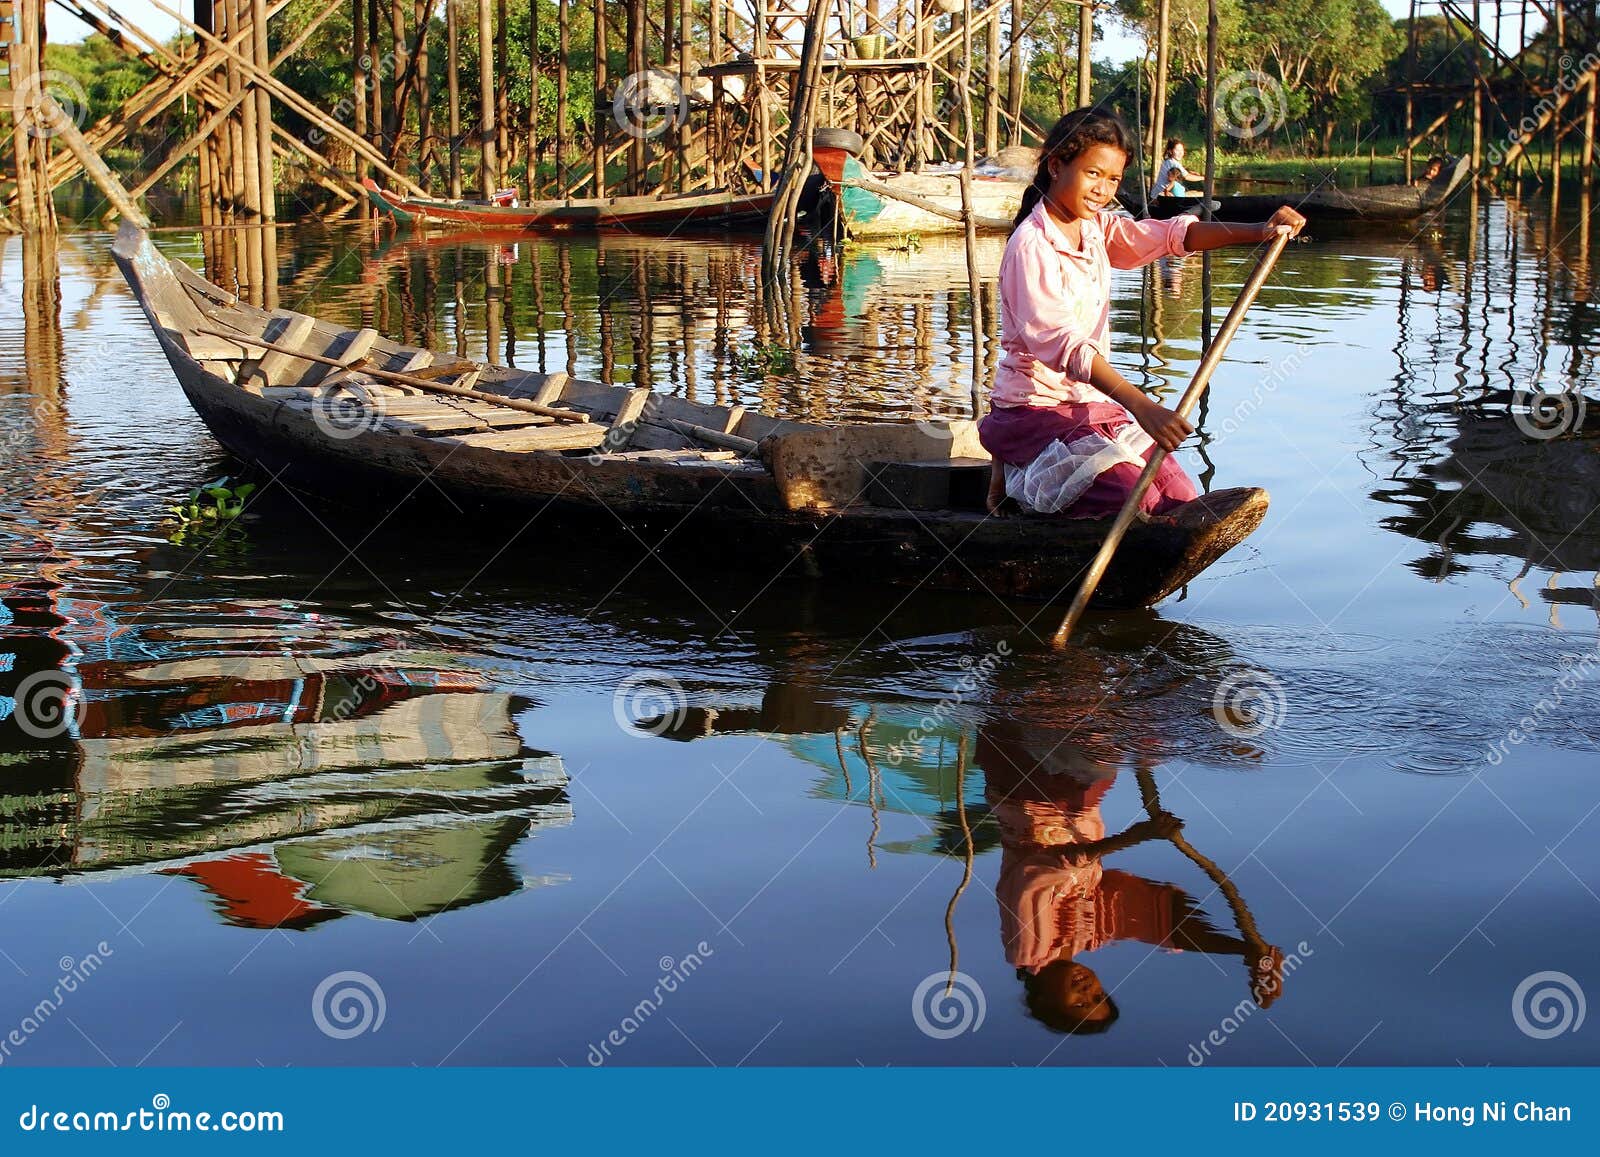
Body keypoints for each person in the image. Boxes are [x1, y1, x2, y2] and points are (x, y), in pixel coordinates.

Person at [981, 109, 1305, 519]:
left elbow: (1170, 235)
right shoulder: (1032, 244)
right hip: (1034, 410)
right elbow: (1062, 345)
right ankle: (1014, 472)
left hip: (1089, 405)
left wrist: (1259, 230)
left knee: (1179, 498)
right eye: (1093, 174)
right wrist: (1143, 407)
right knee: (1132, 503)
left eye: (1113, 179)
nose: (1103, 189)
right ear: (1056, 165)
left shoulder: (1097, 227)